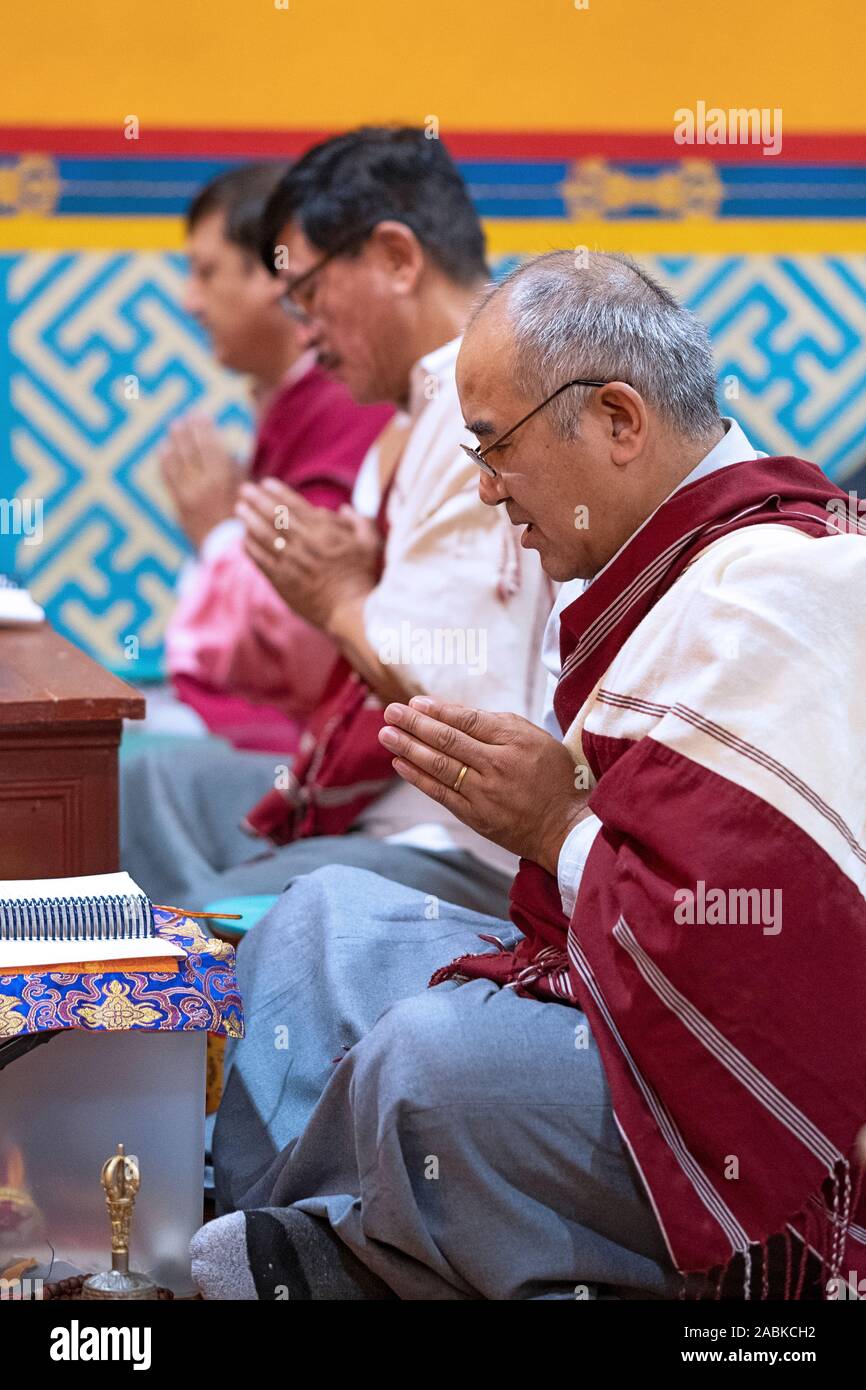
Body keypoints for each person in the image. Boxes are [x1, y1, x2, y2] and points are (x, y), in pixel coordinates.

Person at [196, 250, 866, 1301]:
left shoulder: (779, 584)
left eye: (495, 446)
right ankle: (327, 1239)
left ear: (615, 418)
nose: (483, 486)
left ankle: (315, 1249)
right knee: (318, 923)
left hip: (778, 1114)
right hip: (609, 970)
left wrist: (556, 826)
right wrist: (559, 823)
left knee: (428, 1066)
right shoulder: (681, 564)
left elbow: (761, 950)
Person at [121, 129, 553, 916]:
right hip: (383, 803)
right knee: (146, 783)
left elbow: (457, 706)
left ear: (396, 257)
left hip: (457, 840)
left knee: (191, 921)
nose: (305, 330)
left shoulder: (485, 411)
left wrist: (339, 599)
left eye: (310, 295)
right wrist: (351, 587)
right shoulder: (402, 422)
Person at [156, 162, 391, 749]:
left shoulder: (346, 404)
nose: (190, 301)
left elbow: (308, 639)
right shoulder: (293, 402)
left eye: (205, 273)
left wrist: (217, 532)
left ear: (275, 273)